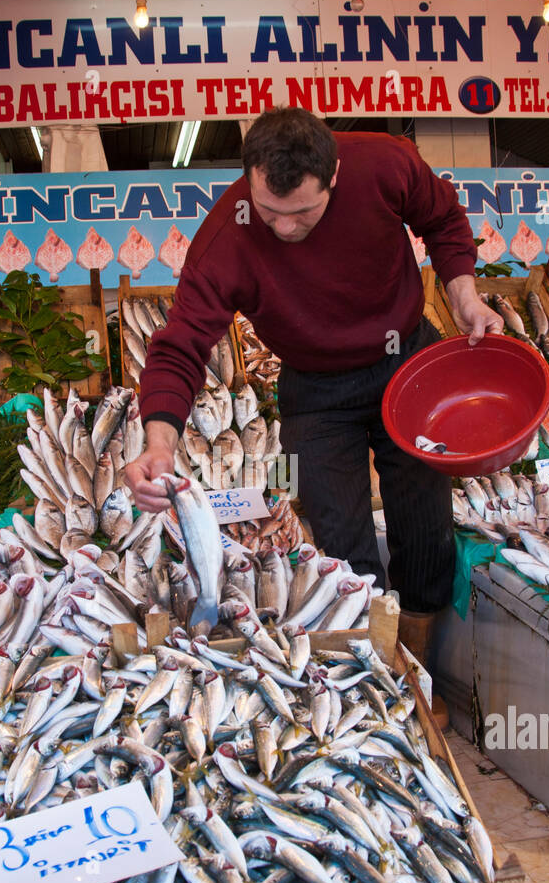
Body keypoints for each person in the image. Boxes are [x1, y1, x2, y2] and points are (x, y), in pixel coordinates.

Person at [125, 106, 503, 662]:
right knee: (341, 542)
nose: (282, 228)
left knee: (425, 524)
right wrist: (158, 445)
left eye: (301, 212)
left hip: (406, 361)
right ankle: (378, 668)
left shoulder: (385, 165)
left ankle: (419, 665)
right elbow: (180, 343)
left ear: (334, 178)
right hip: (315, 388)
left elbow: (443, 219)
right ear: (250, 176)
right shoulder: (228, 233)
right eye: (268, 210)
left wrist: (463, 295)